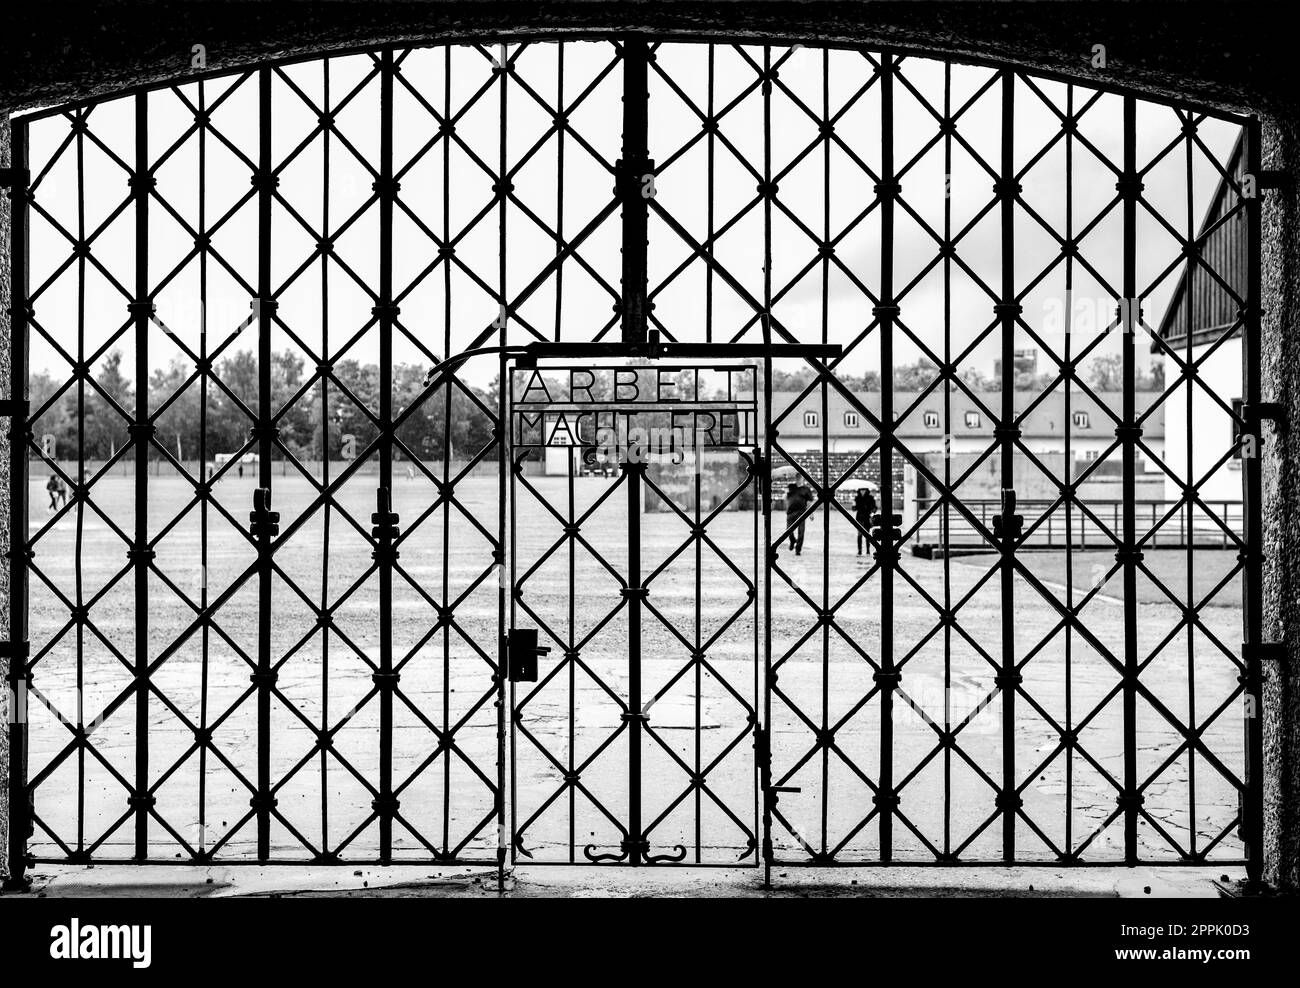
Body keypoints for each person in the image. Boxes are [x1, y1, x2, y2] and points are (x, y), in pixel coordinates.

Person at [785, 482, 810, 556]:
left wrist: (811, 513)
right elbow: (786, 498)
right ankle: (792, 540)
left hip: (801, 513)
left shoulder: (805, 489)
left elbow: (809, 501)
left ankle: (798, 549)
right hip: (790, 512)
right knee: (789, 531)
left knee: (801, 532)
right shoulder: (791, 487)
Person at [854, 485, 878, 556]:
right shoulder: (857, 498)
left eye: (864, 490)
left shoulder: (870, 498)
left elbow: (874, 508)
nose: (862, 491)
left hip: (867, 517)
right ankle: (860, 550)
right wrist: (854, 507)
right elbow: (854, 508)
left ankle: (868, 550)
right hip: (860, 517)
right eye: (861, 490)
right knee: (859, 535)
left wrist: (872, 510)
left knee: (867, 535)